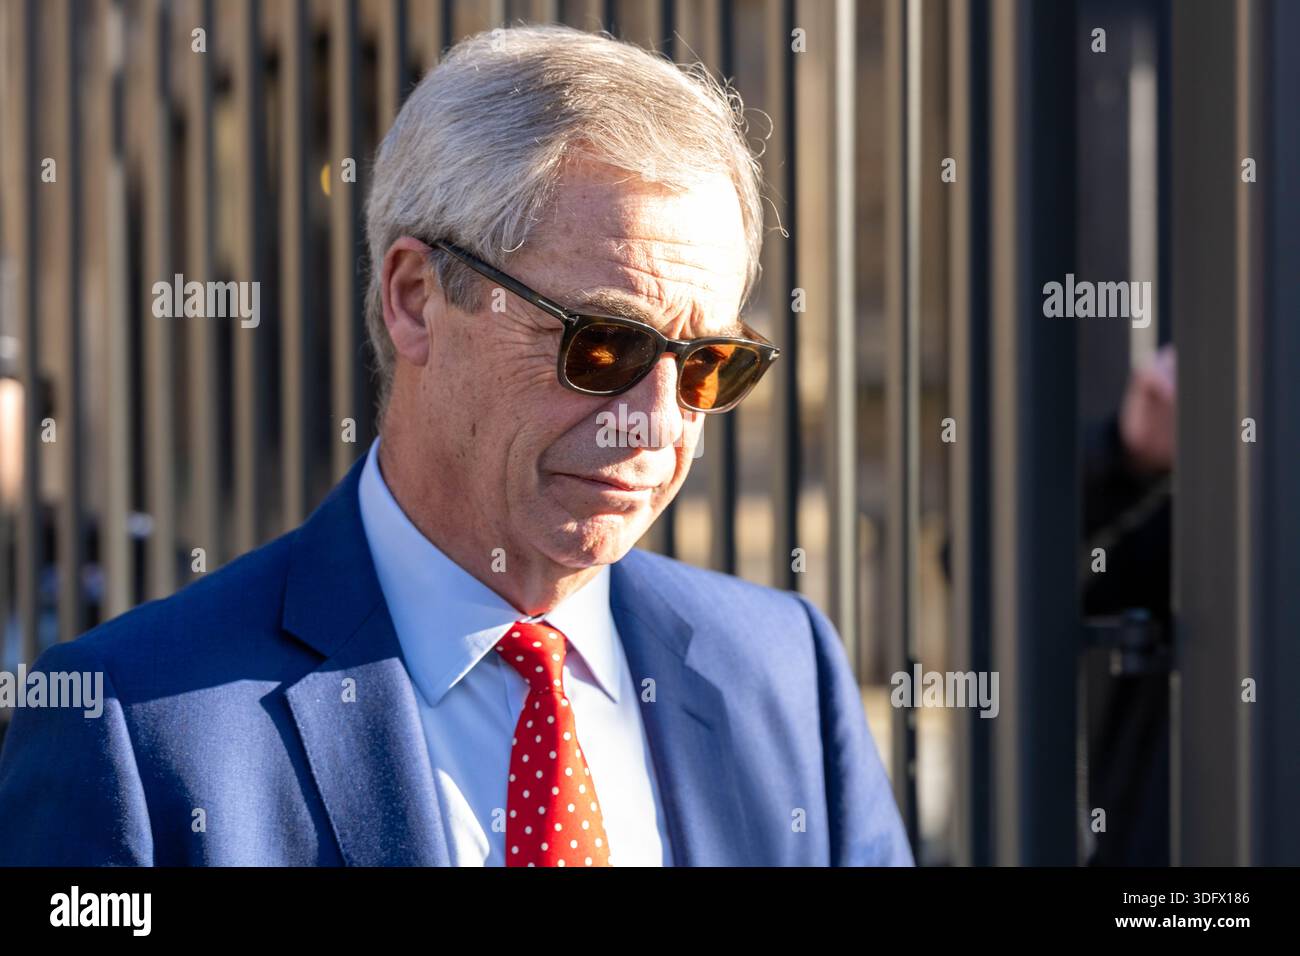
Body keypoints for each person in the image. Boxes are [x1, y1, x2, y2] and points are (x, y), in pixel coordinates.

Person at [0, 25, 912, 867]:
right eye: (603, 345)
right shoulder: (134, 722)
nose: (662, 423)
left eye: (710, 364)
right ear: (414, 297)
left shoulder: (787, 670)